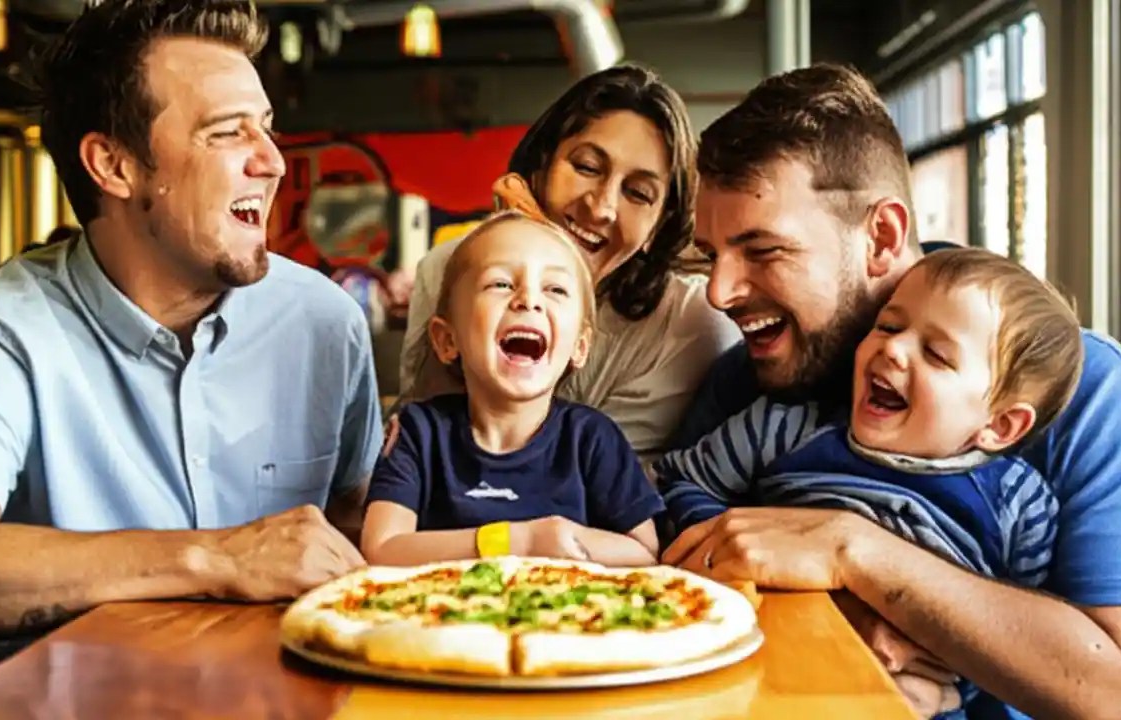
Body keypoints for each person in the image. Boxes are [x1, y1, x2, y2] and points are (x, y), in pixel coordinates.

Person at [0, 0, 380, 633]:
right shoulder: (2, 329)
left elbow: (361, 528)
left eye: (266, 127)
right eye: (227, 132)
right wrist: (217, 558)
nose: (272, 159)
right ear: (113, 165)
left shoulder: (326, 321)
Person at [664, 63, 1121, 719]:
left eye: (762, 251)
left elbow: (1112, 691)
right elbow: (672, 530)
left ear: (880, 237)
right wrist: (832, 606)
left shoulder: (1084, 387)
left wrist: (853, 552)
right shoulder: (751, 377)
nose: (718, 292)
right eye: (712, 254)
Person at [660, 248, 1082, 716]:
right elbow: (680, 480)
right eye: (889, 326)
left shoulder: (1019, 503)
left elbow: (1013, 637)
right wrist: (725, 542)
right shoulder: (783, 429)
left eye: (936, 354)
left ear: (1000, 426)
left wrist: (958, 692)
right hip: (767, 666)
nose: (893, 349)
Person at [399, 65, 739, 464]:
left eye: (637, 193)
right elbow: (422, 448)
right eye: (587, 168)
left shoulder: (689, 322)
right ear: (540, 168)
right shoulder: (450, 268)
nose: (601, 207)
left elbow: (602, 478)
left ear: (659, 224)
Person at [363, 211, 661, 567]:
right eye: (501, 284)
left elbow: (645, 552)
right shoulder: (419, 432)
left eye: (555, 289)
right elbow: (381, 549)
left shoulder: (592, 438)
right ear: (447, 340)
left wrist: (564, 537)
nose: (529, 300)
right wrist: (518, 540)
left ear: (580, 347)